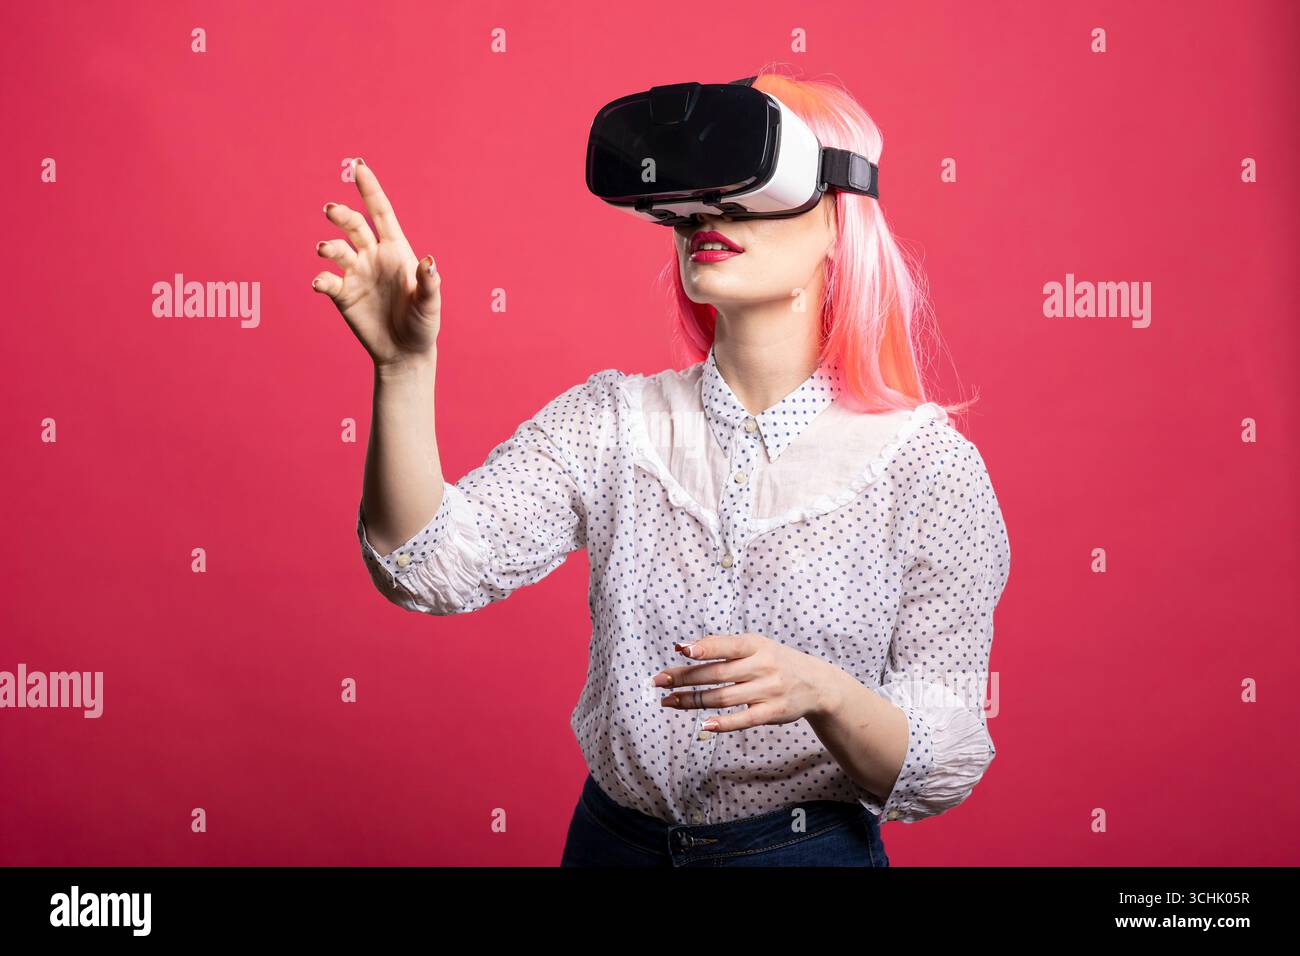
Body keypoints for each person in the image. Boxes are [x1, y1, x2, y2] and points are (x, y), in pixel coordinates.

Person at [311, 69, 1011, 867]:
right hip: (612, 848)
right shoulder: (613, 423)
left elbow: (943, 757)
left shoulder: (926, 468)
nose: (707, 214)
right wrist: (404, 371)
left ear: (836, 221)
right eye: (693, 193)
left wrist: (827, 693)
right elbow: (430, 567)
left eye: (746, 182)